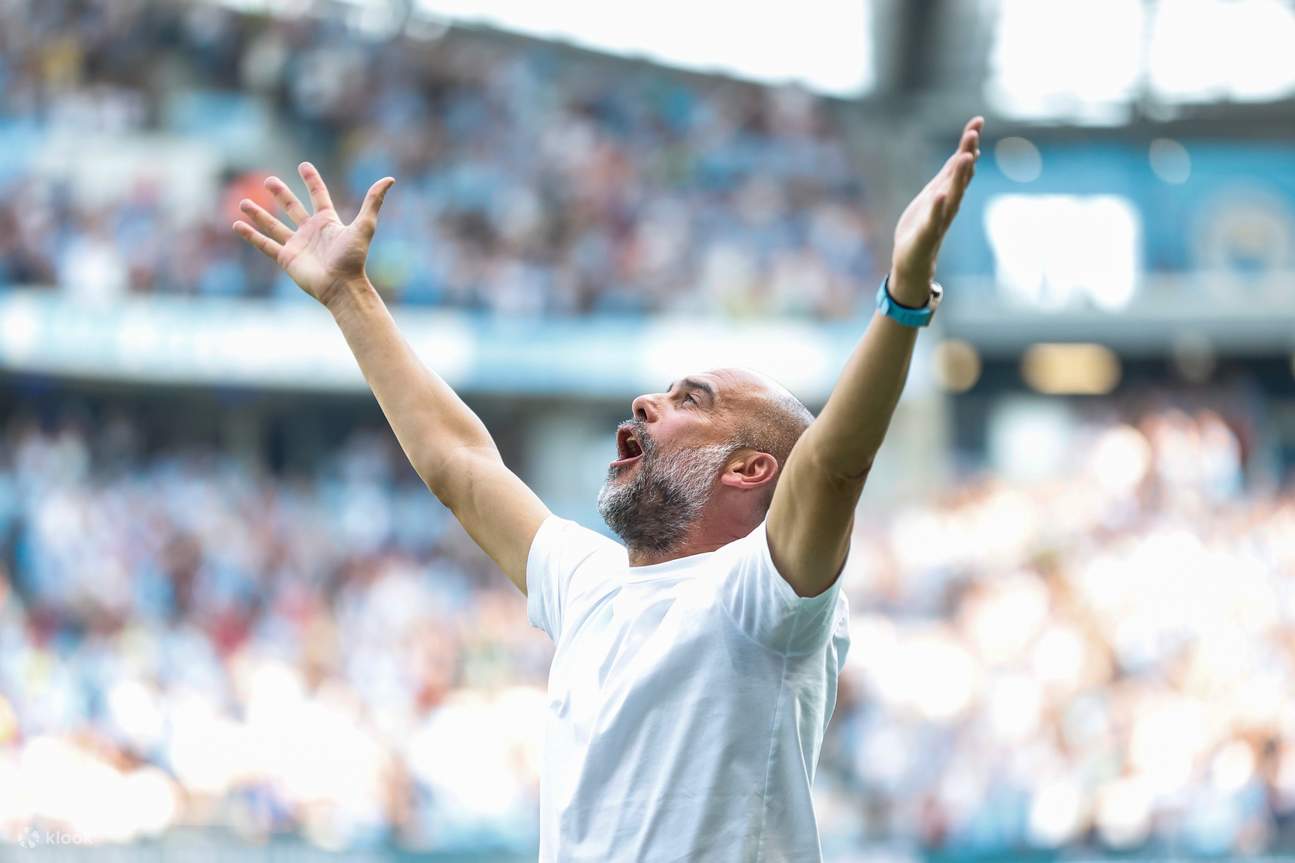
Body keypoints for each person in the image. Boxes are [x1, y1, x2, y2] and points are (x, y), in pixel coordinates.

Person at [233, 115, 984, 861]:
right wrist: (349, 297)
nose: (645, 403)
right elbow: (459, 465)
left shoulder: (763, 596)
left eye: (690, 400)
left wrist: (901, 295)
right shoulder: (588, 582)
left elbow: (833, 465)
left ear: (750, 468)